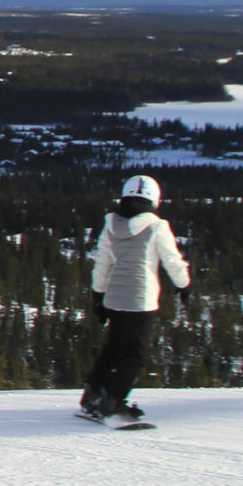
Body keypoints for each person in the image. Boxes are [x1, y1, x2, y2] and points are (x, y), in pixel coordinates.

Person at [80, 174, 192, 421]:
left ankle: (92, 393)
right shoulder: (156, 226)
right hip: (141, 299)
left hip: (114, 298)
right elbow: (172, 260)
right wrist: (184, 285)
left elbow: (102, 263)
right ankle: (113, 401)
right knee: (135, 355)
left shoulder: (111, 224)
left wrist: (98, 295)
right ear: (154, 198)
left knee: (113, 348)